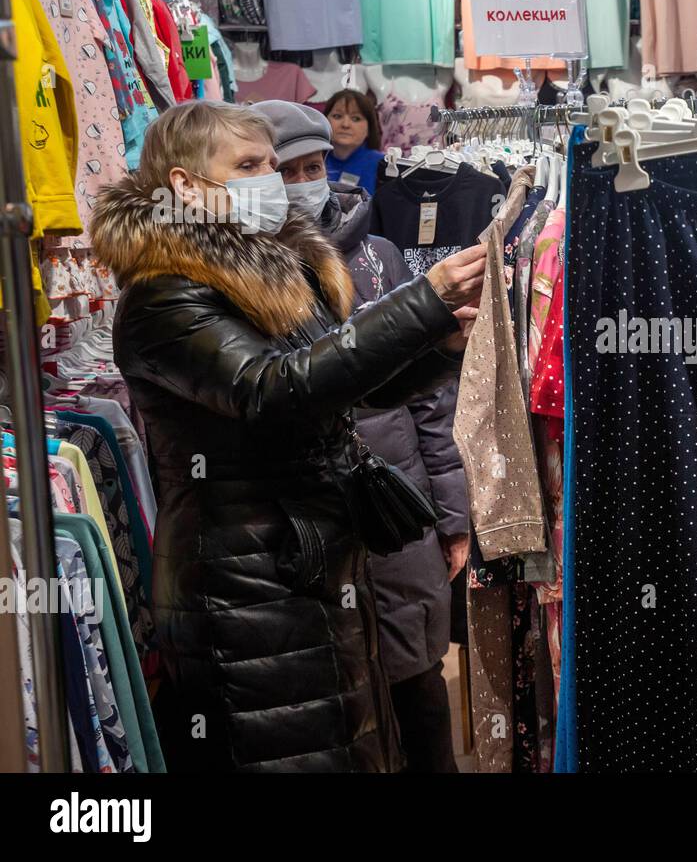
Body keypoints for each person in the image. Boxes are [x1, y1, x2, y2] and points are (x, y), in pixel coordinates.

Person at [90, 100, 486, 772]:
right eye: (249, 166)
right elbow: (276, 390)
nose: (271, 180)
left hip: (305, 567)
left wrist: (440, 343)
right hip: (246, 590)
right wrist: (422, 300)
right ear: (187, 185)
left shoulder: (271, 273)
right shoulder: (164, 298)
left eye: (271, 164)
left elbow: (344, 390)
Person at [252, 99, 469, 772]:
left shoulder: (378, 257)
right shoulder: (246, 277)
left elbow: (430, 402)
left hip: (396, 507)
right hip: (310, 524)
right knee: (339, 709)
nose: (303, 182)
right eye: (286, 170)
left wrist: (452, 516)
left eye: (314, 166)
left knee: (419, 691)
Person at [324, 88, 385, 195]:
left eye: (355, 118)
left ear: (369, 127)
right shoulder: (314, 160)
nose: (345, 124)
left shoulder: (383, 165)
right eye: (337, 116)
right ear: (324, 121)